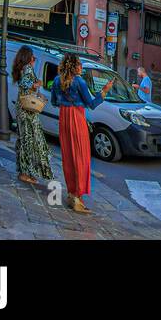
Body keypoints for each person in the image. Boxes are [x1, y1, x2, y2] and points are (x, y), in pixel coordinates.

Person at [50, 53, 113, 214]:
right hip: (77, 118)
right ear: (73, 66)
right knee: (81, 157)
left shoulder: (57, 81)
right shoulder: (80, 82)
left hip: (64, 118)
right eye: (79, 64)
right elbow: (91, 104)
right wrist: (104, 91)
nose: (81, 67)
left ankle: (71, 193)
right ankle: (77, 198)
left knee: (69, 156)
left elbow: (54, 102)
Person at [12, 45, 52, 186]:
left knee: (24, 139)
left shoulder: (21, 68)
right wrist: (37, 84)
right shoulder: (28, 68)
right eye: (33, 57)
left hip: (22, 107)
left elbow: (23, 84)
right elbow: (25, 84)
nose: (34, 60)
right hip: (27, 111)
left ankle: (24, 171)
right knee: (29, 140)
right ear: (28, 58)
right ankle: (25, 173)